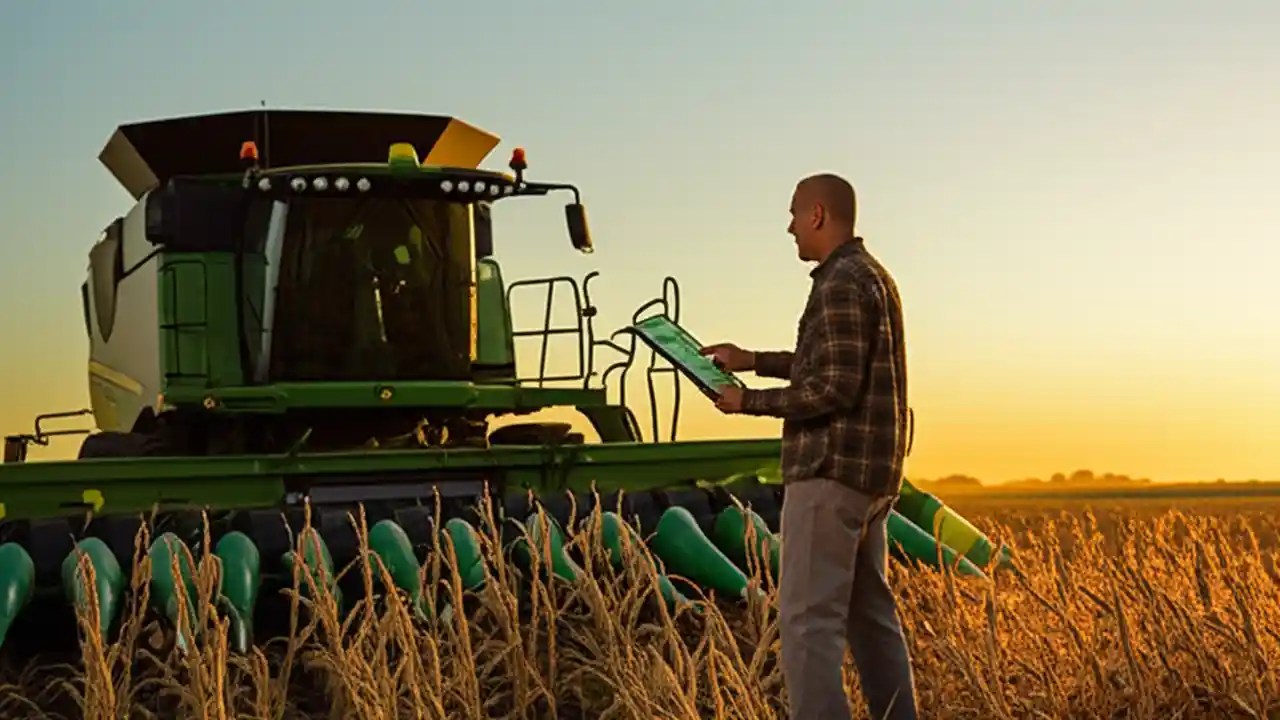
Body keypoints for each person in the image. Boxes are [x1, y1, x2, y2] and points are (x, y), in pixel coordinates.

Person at [699, 173, 918, 720]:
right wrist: (751, 359)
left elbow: (831, 388)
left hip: (829, 471)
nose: (789, 226)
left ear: (818, 215)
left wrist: (746, 402)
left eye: (795, 213)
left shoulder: (840, 283)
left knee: (805, 622)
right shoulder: (869, 277)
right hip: (869, 479)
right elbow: (831, 363)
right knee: (870, 618)